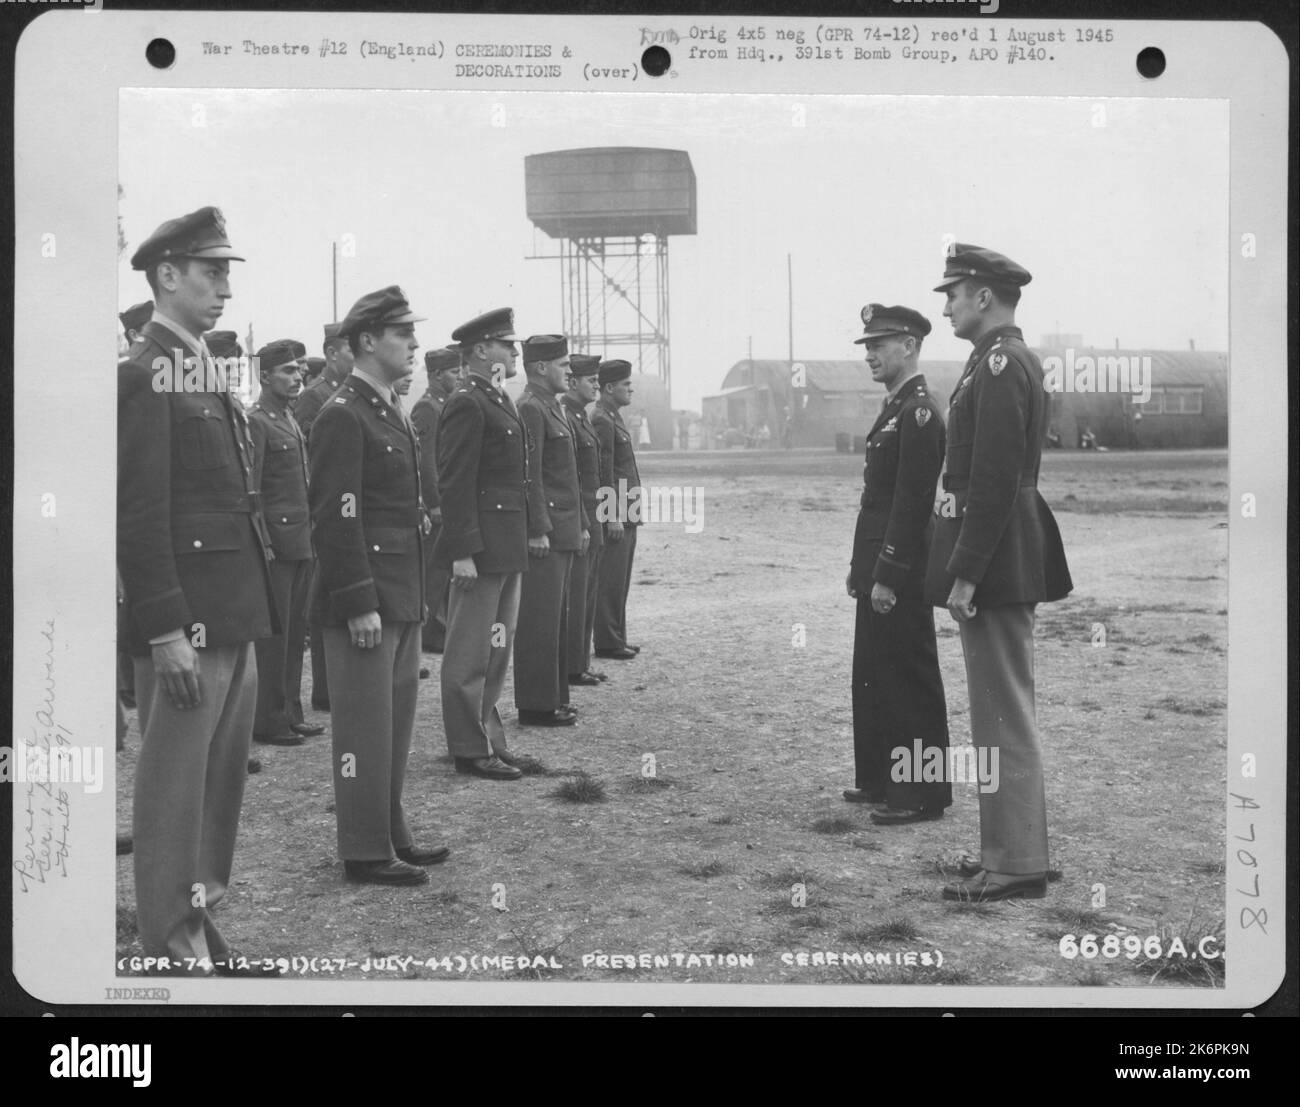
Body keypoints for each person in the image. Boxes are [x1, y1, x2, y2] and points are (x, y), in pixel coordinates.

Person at [117, 206, 278, 973]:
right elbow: (140, 514)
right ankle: (173, 953)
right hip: (187, 628)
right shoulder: (145, 371)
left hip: (231, 613)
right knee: (176, 795)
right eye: (211, 272)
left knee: (216, 794)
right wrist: (164, 629)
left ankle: (200, 926)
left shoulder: (196, 367)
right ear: (167, 275)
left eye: (226, 274)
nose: (224, 289)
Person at [926, 244, 1073, 902]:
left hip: (999, 560)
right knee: (1001, 711)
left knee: (1003, 715)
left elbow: (991, 481)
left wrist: (965, 574)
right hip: (1006, 555)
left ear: (984, 296)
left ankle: (1016, 863)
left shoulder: (998, 364)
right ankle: (1010, 848)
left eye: (953, 293)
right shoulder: (1003, 360)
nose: (948, 305)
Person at [308, 286, 448, 886]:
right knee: (364, 728)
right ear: (368, 340)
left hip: (399, 592)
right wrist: (358, 601)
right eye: (402, 334)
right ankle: (364, 850)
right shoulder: (344, 412)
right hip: (367, 600)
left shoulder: (386, 407)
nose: (415, 343)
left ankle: (389, 831)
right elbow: (335, 517)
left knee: (392, 724)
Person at [844, 304, 951, 825]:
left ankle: (920, 796)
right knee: (874, 673)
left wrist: (887, 574)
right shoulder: (896, 408)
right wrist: (862, 571)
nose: (870, 353)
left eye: (879, 344)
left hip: (901, 568)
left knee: (907, 677)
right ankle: (883, 781)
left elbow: (911, 504)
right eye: (867, 344)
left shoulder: (921, 411)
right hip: (878, 565)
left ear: (908, 346)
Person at [435, 308, 530, 780]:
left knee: (496, 649)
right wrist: (461, 552)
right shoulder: (468, 401)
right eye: (506, 344)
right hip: (480, 550)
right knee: (469, 653)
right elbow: (454, 483)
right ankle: (468, 749)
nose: (515, 352)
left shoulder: (498, 398)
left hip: (505, 545)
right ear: (479, 351)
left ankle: (490, 739)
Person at [248, 340, 325, 745]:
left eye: (299, 372)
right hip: (277, 545)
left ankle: (291, 711)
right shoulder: (258, 421)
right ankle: (269, 719)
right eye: (288, 372)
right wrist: (263, 545)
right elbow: (253, 491)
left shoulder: (289, 418)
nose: (298, 378)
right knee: (275, 638)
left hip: (301, 540)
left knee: (296, 633)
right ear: (264, 376)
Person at [515, 335, 589, 727]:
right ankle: (535, 704)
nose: (569, 372)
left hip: (563, 528)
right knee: (539, 620)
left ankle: (553, 697)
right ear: (541, 367)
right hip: (547, 531)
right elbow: (531, 475)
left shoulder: (550, 407)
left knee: (555, 617)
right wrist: (538, 528)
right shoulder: (530, 408)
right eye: (562, 364)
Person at [297, 323, 355, 713]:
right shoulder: (314, 397)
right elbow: (307, 461)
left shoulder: (348, 394)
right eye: (350, 350)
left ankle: (337, 683)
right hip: (321, 510)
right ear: (332, 353)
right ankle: (325, 689)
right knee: (326, 598)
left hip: (341, 506)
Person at [410, 346, 462, 653]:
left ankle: (439, 628)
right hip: (439, 501)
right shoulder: (428, 407)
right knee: (435, 570)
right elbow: (426, 462)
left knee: (444, 568)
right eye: (454, 372)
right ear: (437, 374)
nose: (458, 377)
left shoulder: (445, 404)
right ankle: (431, 631)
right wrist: (434, 502)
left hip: (448, 498)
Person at [591, 359, 642, 660]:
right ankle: (608, 641)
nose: (631, 389)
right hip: (617, 513)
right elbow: (604, 470)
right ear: (609, 388)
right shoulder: (602, 419)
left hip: (627, 511)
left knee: (620, 577)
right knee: (610, 578)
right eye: (625, 384)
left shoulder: (613, 417)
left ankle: (617, 635)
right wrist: (611, 515)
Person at [561, 354, 607, 687]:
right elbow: (571, 477)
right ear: (573, 382)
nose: (596, 385)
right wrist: (582, 522)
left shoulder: (582, 418)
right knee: (576, 596)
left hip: (594, 514)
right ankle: (572, 665)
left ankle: (580, 661)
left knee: (588, 593)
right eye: (590, 380)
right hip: (582, 517)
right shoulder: (568, 417)